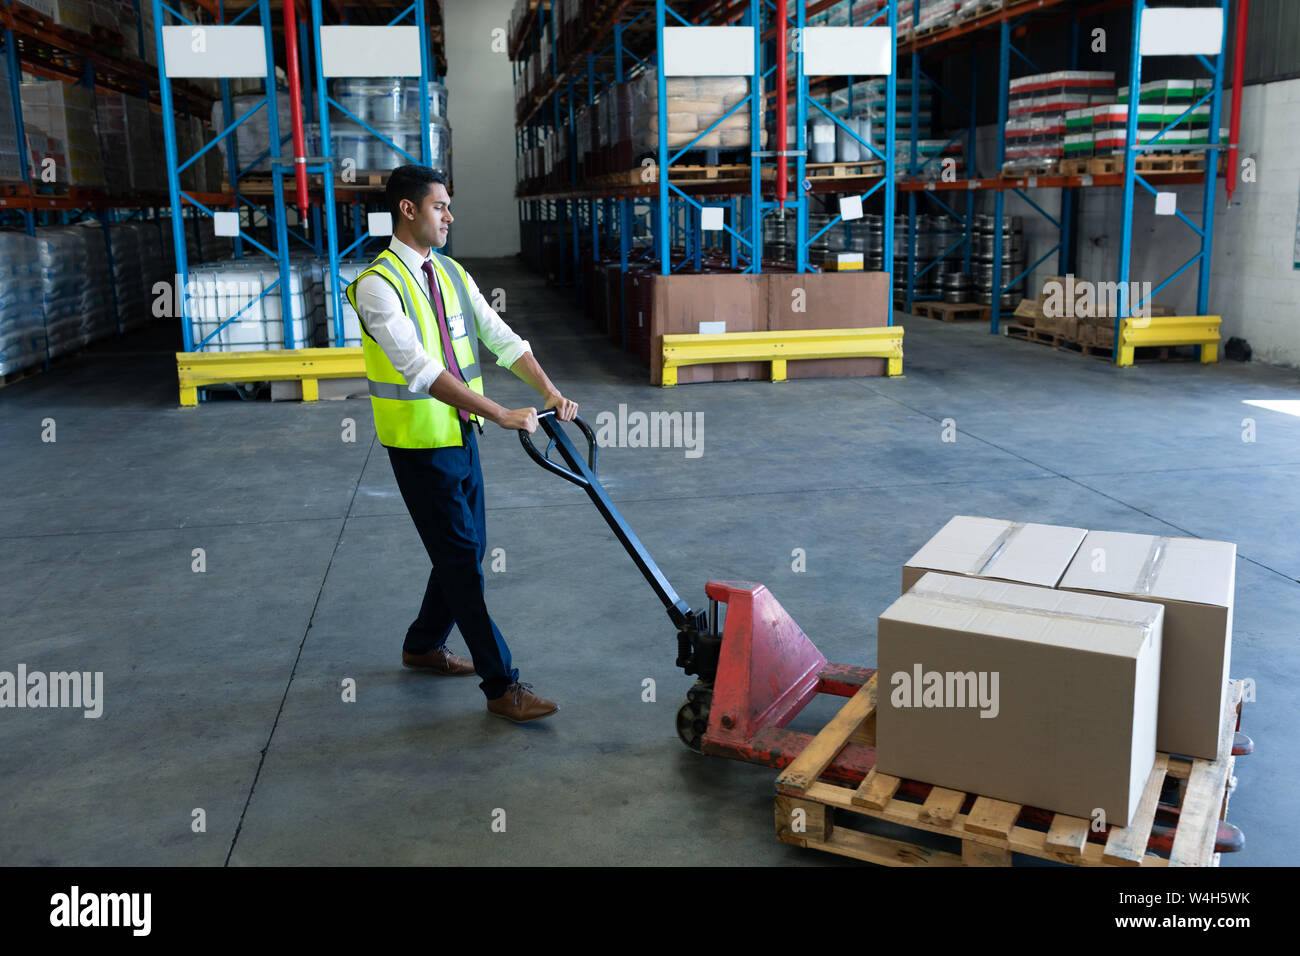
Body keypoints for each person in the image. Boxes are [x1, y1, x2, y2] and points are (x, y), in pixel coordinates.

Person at [345, 164, 577, 723]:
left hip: (461, 435)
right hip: (420, 446)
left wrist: (548, 390)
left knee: (464, 553)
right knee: (463, 564)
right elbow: (419, 370)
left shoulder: (448, 273)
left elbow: (499, 336)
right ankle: (502, 685)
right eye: (440, 206)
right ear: (408, 210)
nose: (449, 216)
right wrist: (500, 412)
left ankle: (422, 645)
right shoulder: (376, 287)